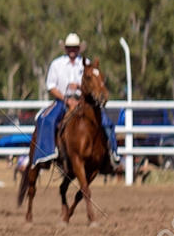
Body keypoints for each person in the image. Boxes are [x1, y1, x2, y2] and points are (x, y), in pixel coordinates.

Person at [31, 32, 118, 168]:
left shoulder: (86, 64)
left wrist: (79, 87)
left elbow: (93, 82)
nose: (72, 50)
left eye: (75, 47)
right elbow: (51, 86)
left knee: (106, 122)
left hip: (84, 101)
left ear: (79, 48)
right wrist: (66, 99)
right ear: (65, 48)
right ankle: (46, 153)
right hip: (62, 100)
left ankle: (111, 153)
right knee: (46, 119)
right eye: (70, 47)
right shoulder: (57, 64)